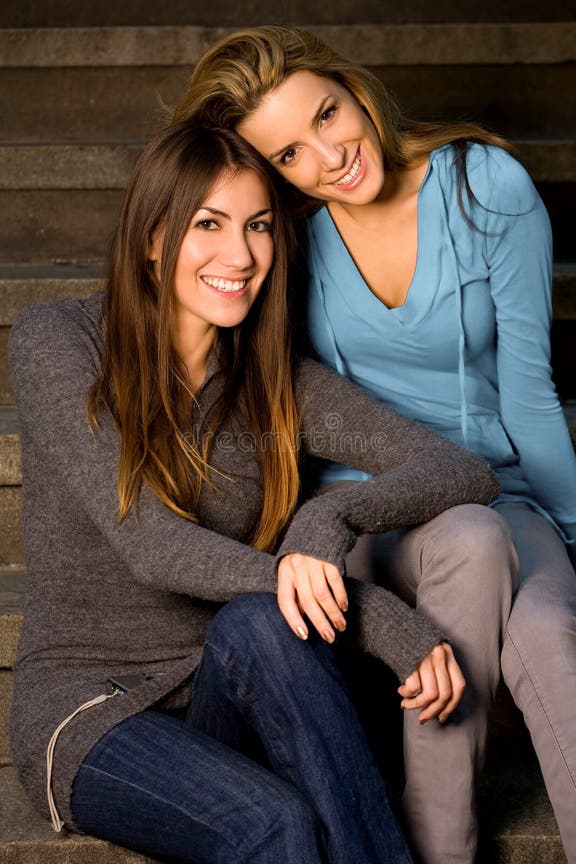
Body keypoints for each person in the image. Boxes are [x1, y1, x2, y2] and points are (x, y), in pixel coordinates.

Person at [8, 121, 502, 864]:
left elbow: (463, 470)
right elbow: (150, 543)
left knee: (261, 624)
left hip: (228, 684)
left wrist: (327, 515)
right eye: (209, 224)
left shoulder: (273, 383)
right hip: (93, 708)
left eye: (259, 226)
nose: (239, 256)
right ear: (151, 236)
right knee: (276, 822)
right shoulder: (61, 343)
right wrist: (384, 621)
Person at [172, 25, 576, 864]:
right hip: (362, 520)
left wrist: (573, 536)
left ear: (354, 90)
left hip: (496, 489)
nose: (328, 155)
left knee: (547, 631)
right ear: (272, 175)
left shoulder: (483, 187)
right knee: (470, 537)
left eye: (327, 114)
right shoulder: (287, 245)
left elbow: (533, 395)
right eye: (288, 154)